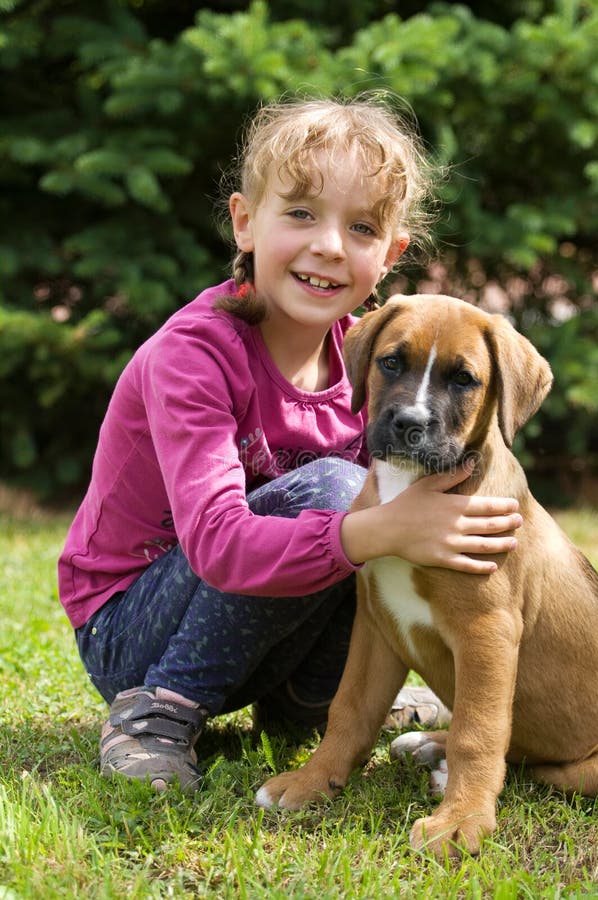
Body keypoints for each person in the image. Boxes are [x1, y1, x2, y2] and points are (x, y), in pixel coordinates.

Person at [58, 95, 522, 793]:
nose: (330, 244)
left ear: (390, 254)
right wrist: (380, 527)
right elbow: (218, 543)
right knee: (343, 496)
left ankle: (305, 704)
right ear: (244, 222)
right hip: (132, 630)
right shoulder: (194, 356)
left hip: (265, 633)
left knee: (371, 503)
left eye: (361, 227)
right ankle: (157, 714)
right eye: (300, 213)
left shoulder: (373, 352)